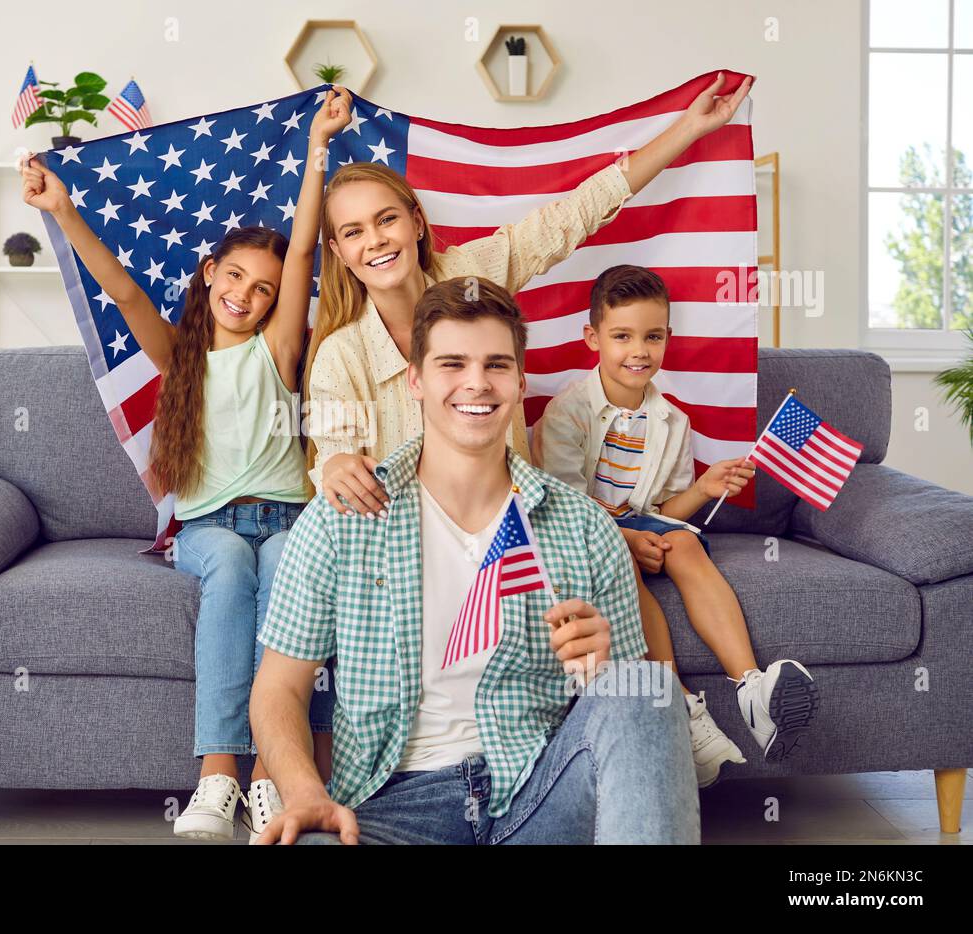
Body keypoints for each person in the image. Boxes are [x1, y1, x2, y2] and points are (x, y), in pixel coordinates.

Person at [248, 276, 698, 844]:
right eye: (452, 364)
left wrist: (600, 668)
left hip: (538, 790)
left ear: (519, 380)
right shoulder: (343, 518)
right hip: (394, 806)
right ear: (415, 379)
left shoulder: (586, 528)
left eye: (497, 365)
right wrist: (306, 793)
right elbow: (278, 690)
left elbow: (632, 731)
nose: (477, 384)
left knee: (640, 690)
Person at [20, 87, 354, 842]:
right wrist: (61, 211)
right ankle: (217, 777)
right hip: (207, 526)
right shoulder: (182, 359)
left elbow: (304, 249)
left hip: (289, 519)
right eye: (235, 277)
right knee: (232, 565)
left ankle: (274, 776)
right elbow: (123, 291)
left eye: (264, 289)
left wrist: (316, 152)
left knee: (283, 575)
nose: (248, 293)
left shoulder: (280, 353)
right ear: (210, 273)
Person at [306, 73, 754, 524]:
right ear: (340, 253)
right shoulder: (341, 355)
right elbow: (336, 455)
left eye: (387, 220)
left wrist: (689, 129)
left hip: (511, 525)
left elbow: (574, 215)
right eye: (353, 232)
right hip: (408, 537)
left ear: (417, 224)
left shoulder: (471, 275)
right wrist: (335, 466)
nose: (377, 240)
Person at [535, 263, 820, 785]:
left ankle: (751, 687)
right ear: (592, 337)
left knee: (687, 549)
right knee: (623, 558)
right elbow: (564, 507)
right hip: (587, 531)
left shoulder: (673, 421)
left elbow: (665, 511)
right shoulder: (566, 414)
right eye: (622, 336)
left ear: (668, 338)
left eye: (653, 336)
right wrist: (625, 537)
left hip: (643, 525)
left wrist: (705, 490)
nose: (639, 351)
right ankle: (681, 705)